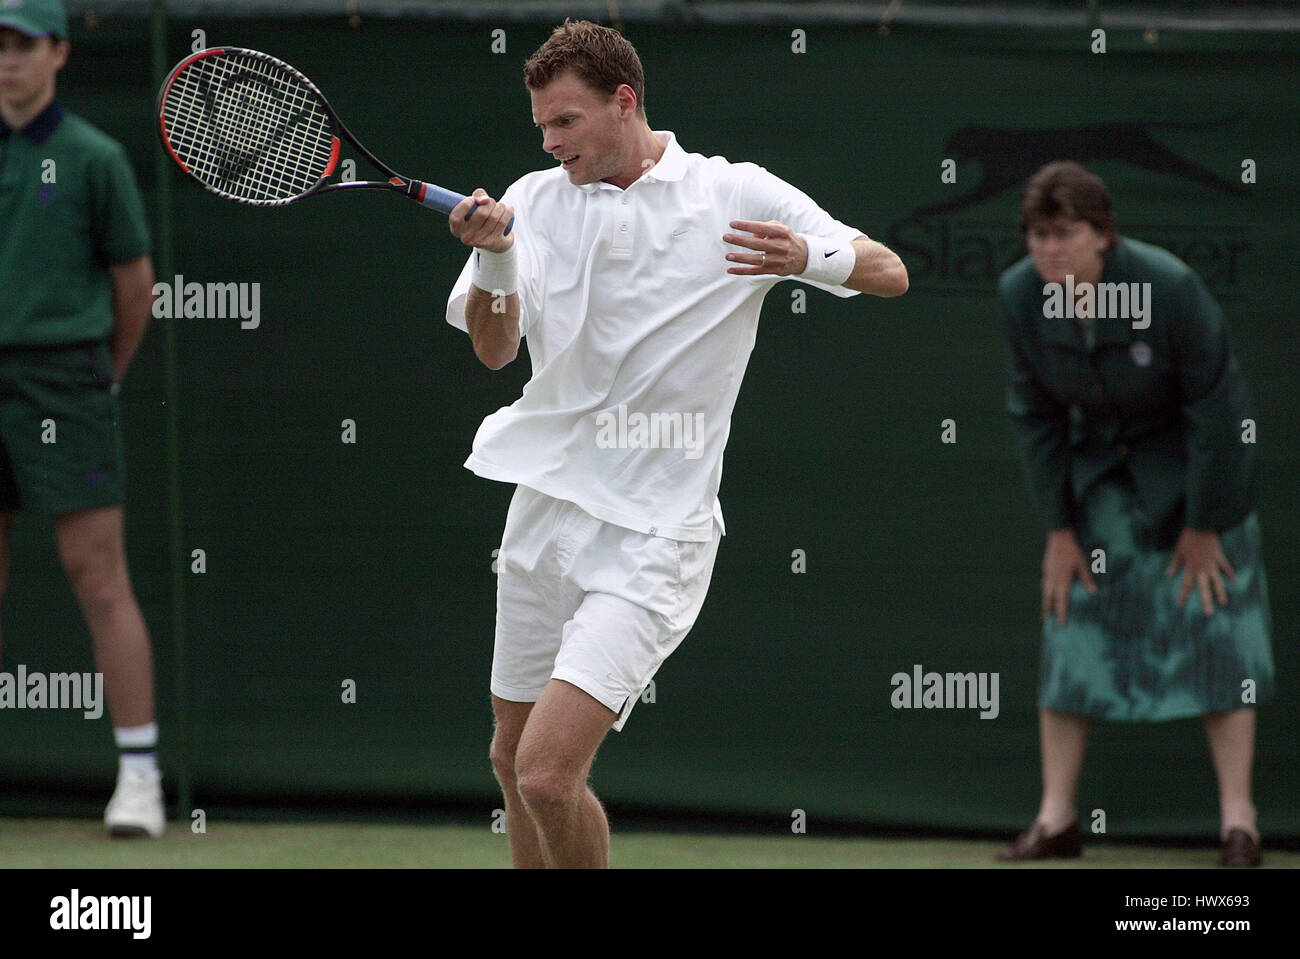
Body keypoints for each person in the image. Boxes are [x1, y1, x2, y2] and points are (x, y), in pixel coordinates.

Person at [444, 19, 907, 868]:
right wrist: (499, 262)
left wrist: (807, 255)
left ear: (625, 102)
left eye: (567, 123)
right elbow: (493, 347)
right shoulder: (533, 200)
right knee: (511, 762)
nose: (550, 144)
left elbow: (888, 268)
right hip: (544, 512)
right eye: (541, 127)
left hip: (656, 534)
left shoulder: (733, 192)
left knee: (549, 774)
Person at [997, 160, 1273, 867]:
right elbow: (1036, 418)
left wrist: (1205, 525)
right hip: (1101, 486)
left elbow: (1219, 414)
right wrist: (1059, 531)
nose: (1048, 249)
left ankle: (1238, 825)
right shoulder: (1022, 295)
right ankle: (1057, 821)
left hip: (1200, 481)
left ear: (1101, 236)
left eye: (1064, 234)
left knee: (1219, 637)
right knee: (1070, 629)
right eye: (1037, 235)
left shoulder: (1169, 287)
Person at [0, 0, 163, 837]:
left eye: (22, 44)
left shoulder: (92, 158)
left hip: (65, 378)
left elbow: (133, 291)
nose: (7, 60)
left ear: (58, 52)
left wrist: (100, 379)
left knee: (99, 576)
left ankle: (139, 775)